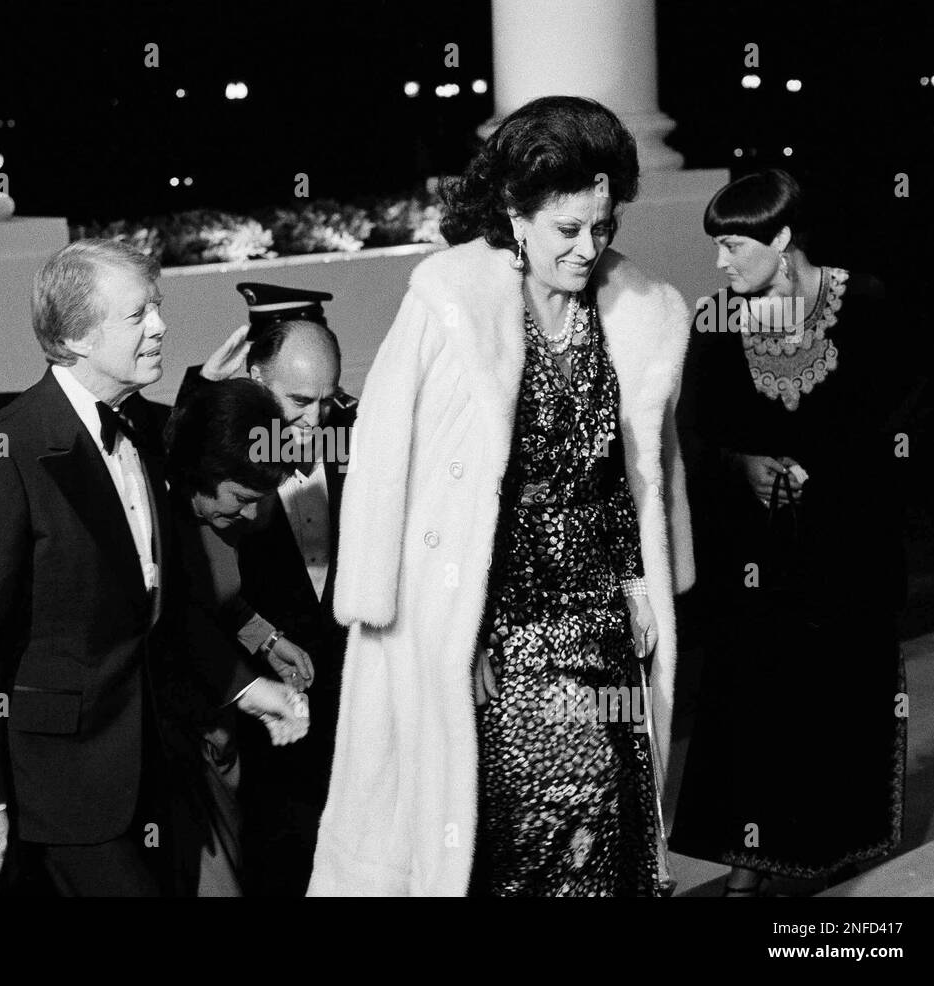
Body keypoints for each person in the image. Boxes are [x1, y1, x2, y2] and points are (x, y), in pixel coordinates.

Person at [309, 95, 694, 897]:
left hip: (602, 624)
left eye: (604, 227)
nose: (589, 248)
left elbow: (630, 474)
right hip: (501, 632)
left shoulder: (636, 315)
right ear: (514, 212)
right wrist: (454, 626)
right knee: (534, 837)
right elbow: (389, 466)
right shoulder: (449, 305)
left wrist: (637, 580)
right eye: (567, 230)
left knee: (614, 827)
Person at [0, 239, 306, 897]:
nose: (160, 326)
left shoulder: (137, 434)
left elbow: (162, 613)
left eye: (155, 309)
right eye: (138, 315)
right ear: (77, 335)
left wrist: (248, 688)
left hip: (151, 771)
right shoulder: (4, 455)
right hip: (60, 795)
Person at [669, 169, 907, 895]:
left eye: (735, 246)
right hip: (756, 555)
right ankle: (751, 865)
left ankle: (835, 845)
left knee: (841, 698)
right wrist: (741, 464)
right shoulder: (717, 317)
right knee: (757, 703)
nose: (721, 263)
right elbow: (695, 431)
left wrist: (832, 472)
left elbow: (902, 414)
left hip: (849, 544)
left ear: (782, 238)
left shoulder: (862, 303)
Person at [181, 283, 357, 895]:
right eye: (299, 399)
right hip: (258, 714)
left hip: (352, 705)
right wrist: (263, 642)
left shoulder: (357, 435)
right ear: (255, 378)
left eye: (328, 400)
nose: (314, 419)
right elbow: (198, 588)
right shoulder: (219, 453)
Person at [164, 376, 312, 894]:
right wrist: (252, 691)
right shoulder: (156, 523)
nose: (252, 515)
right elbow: (179, 619)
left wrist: (268, 640)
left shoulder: (222, 518)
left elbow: (221, 603)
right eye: (242, 498)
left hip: (218, 740)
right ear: (203, 470)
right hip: (171, 747)